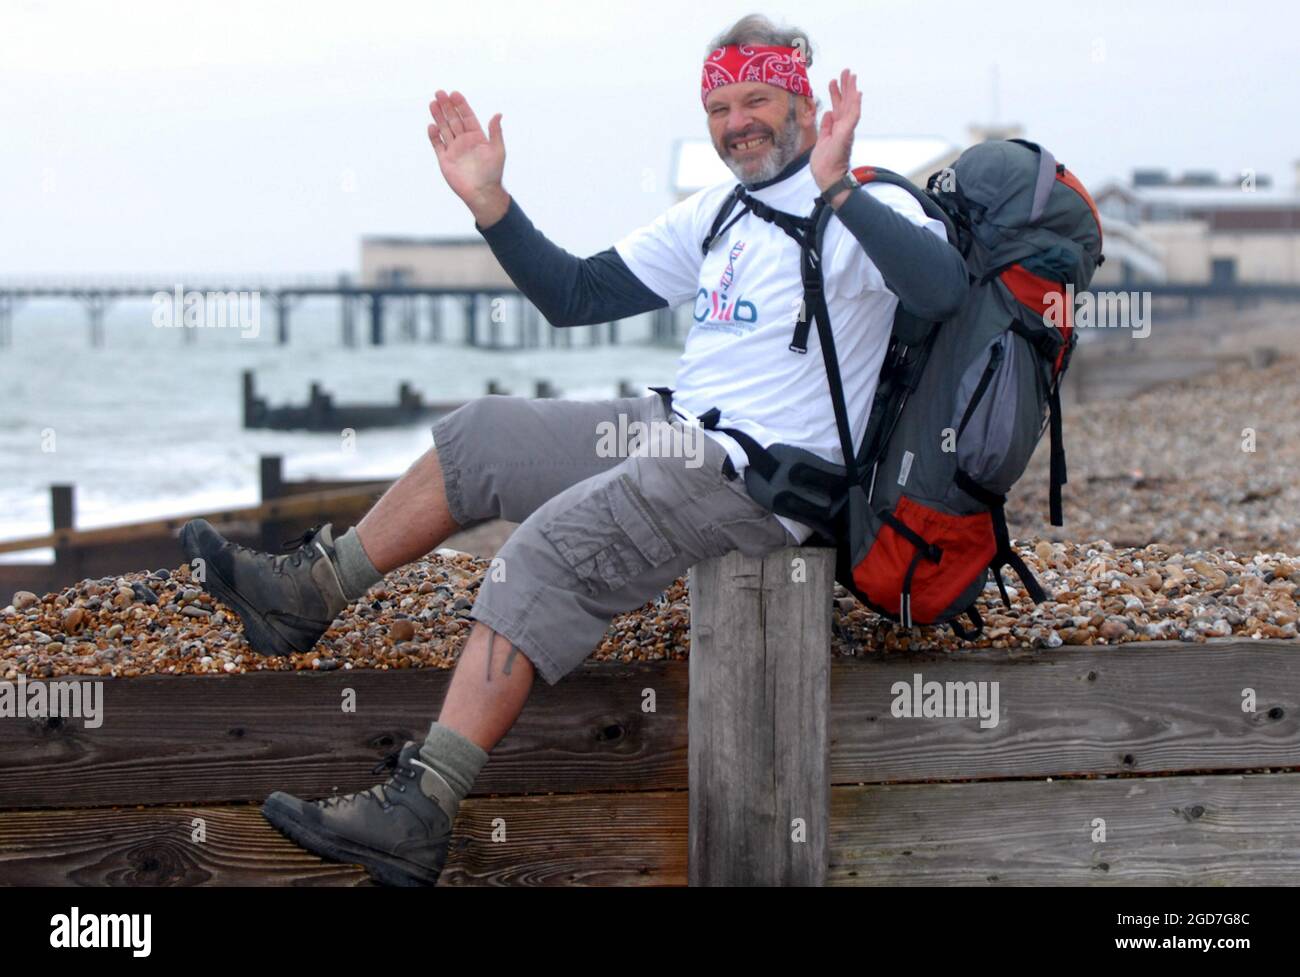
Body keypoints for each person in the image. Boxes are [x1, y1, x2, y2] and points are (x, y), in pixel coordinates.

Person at [179, 12, 967, 886]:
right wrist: (490, 202)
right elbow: (575, 293)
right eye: (719, 107)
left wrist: (839, 187)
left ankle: (422, 807)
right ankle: (309, 593)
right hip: (673, 430)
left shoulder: (865, 204)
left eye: (757, 100)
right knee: (483, 436)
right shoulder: (718, 214)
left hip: (759, 482)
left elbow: (942, 290)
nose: (736, 122)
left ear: (804, 102)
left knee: (543, 550)